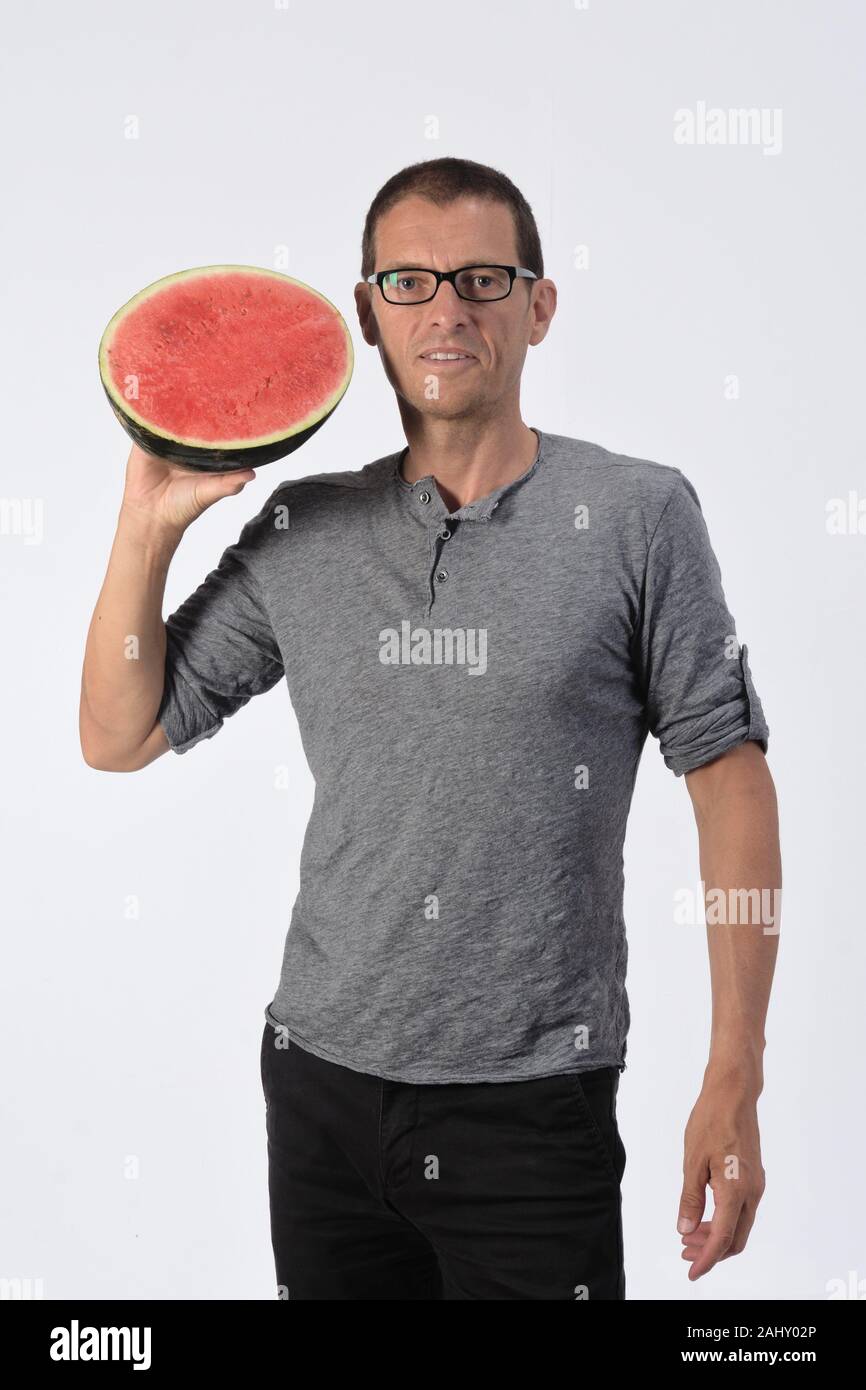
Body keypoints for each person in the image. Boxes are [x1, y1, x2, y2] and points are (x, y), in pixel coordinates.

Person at [80, 156, 780, 1301]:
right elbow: (119, 732)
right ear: (366, 314)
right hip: (316, 1091)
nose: (444, 309)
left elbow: (728, 778)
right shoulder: (306, 525)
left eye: (481, 278)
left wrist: (734, 1069)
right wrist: (145, 525)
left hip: (530, 1110)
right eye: (406, 282)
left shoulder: (639, 516)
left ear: (538, 304)